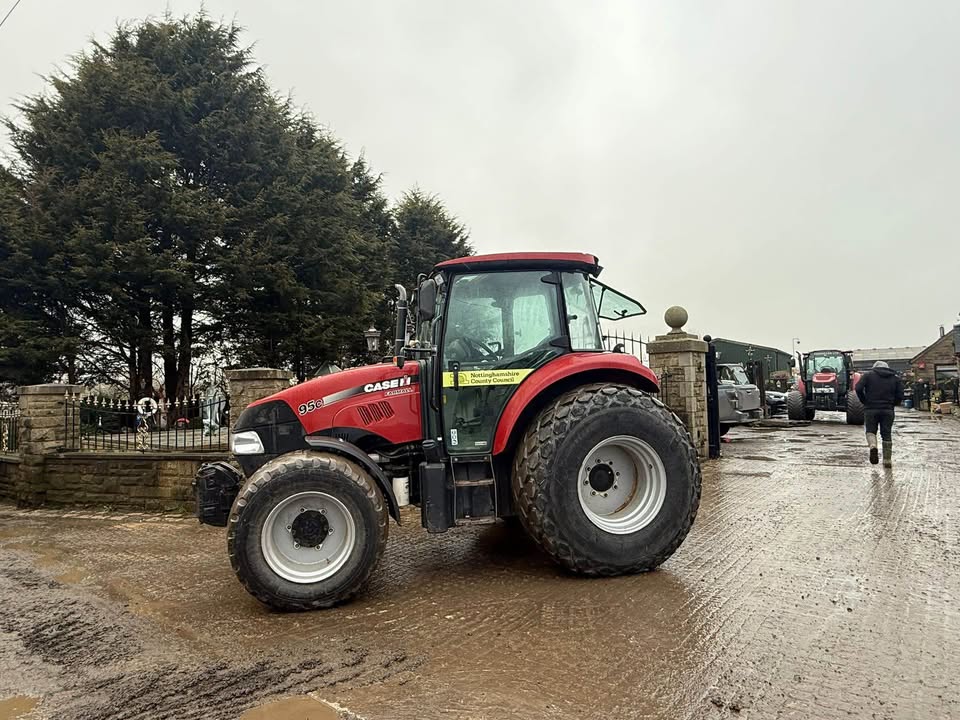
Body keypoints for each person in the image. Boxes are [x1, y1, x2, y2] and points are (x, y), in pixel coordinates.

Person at [855, 360, 904, 467]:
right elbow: (900, 395)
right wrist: (893, 404)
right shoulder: (895, 378)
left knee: (871, 431)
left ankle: (873, 446)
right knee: (886, 434)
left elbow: (858, 388)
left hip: (871, 408)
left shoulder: (868, 376)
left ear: (874, 367)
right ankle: (887, 460)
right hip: (888, 409)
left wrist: (864, 401)